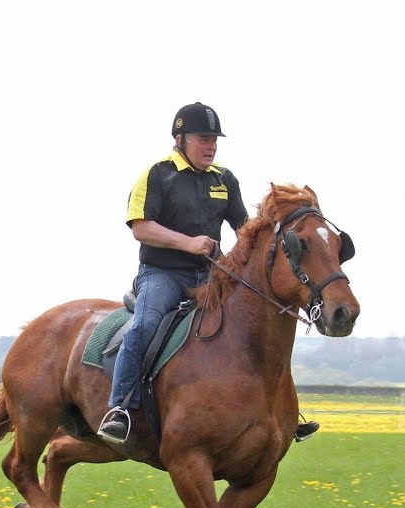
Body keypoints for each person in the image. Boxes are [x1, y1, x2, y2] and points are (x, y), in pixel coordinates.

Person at [97, 101, 320, 445]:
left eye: (214, 139)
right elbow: (140, 227)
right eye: (203, 138)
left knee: (259, 325)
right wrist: (189, 243)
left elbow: (245, 230)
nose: (211, 145)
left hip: (212, 277)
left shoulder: (224, 179)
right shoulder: (158, 174)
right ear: (180, 138)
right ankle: (120, 408)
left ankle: (281, 412)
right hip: (163, 274)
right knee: (144, 326)